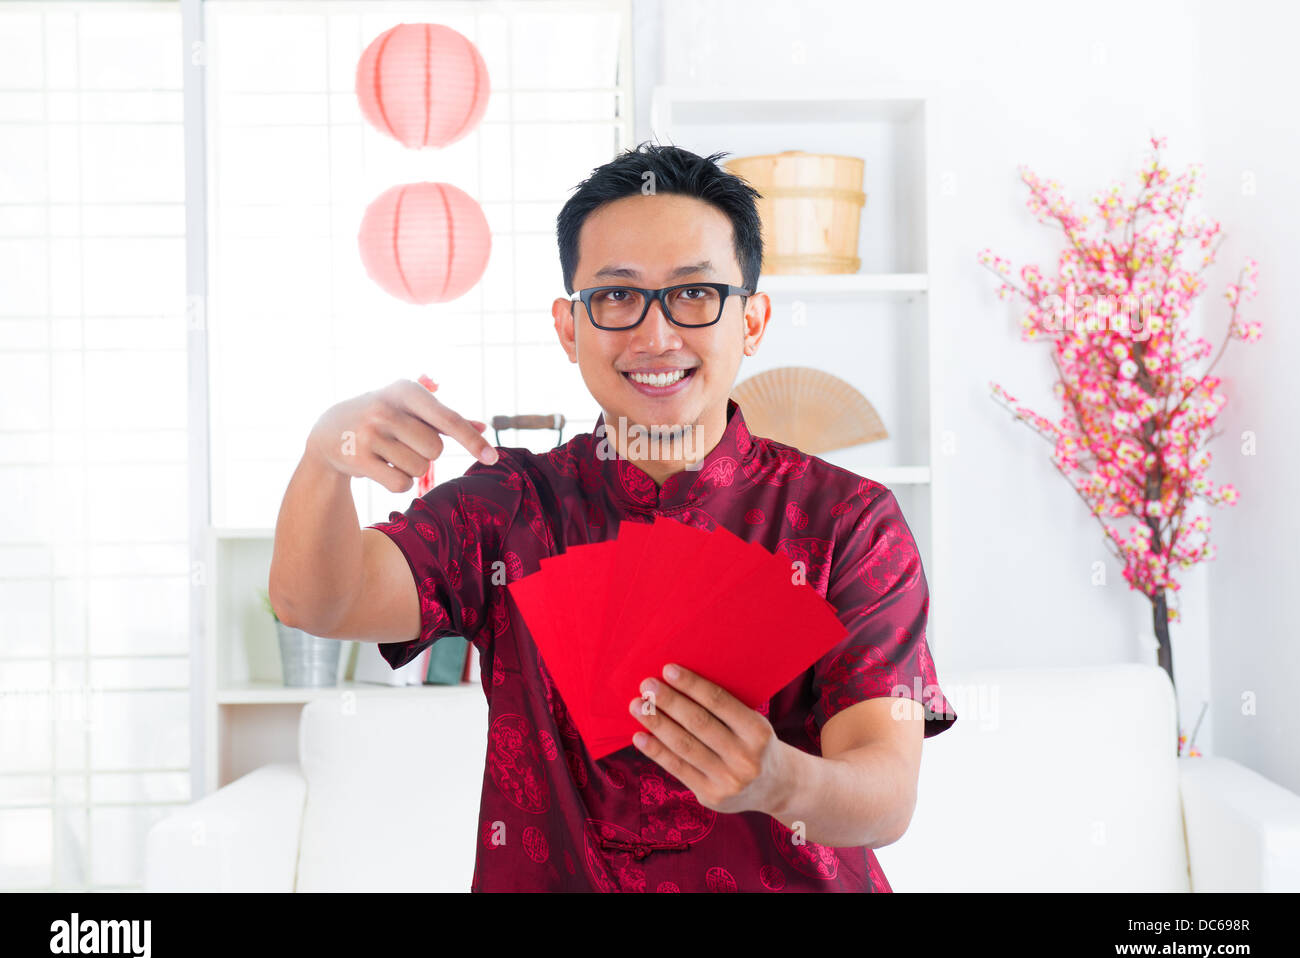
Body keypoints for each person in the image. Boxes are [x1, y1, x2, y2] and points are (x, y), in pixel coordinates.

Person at [269, 140, 957, 893]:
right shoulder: (507, 507)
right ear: (569, 327)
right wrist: (324, 458)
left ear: (752, 320)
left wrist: (779, 780)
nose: (655, 335)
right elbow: (317, 600)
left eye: (694, 294)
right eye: (616, 296)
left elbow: (887, 792)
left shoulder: (848, 521)